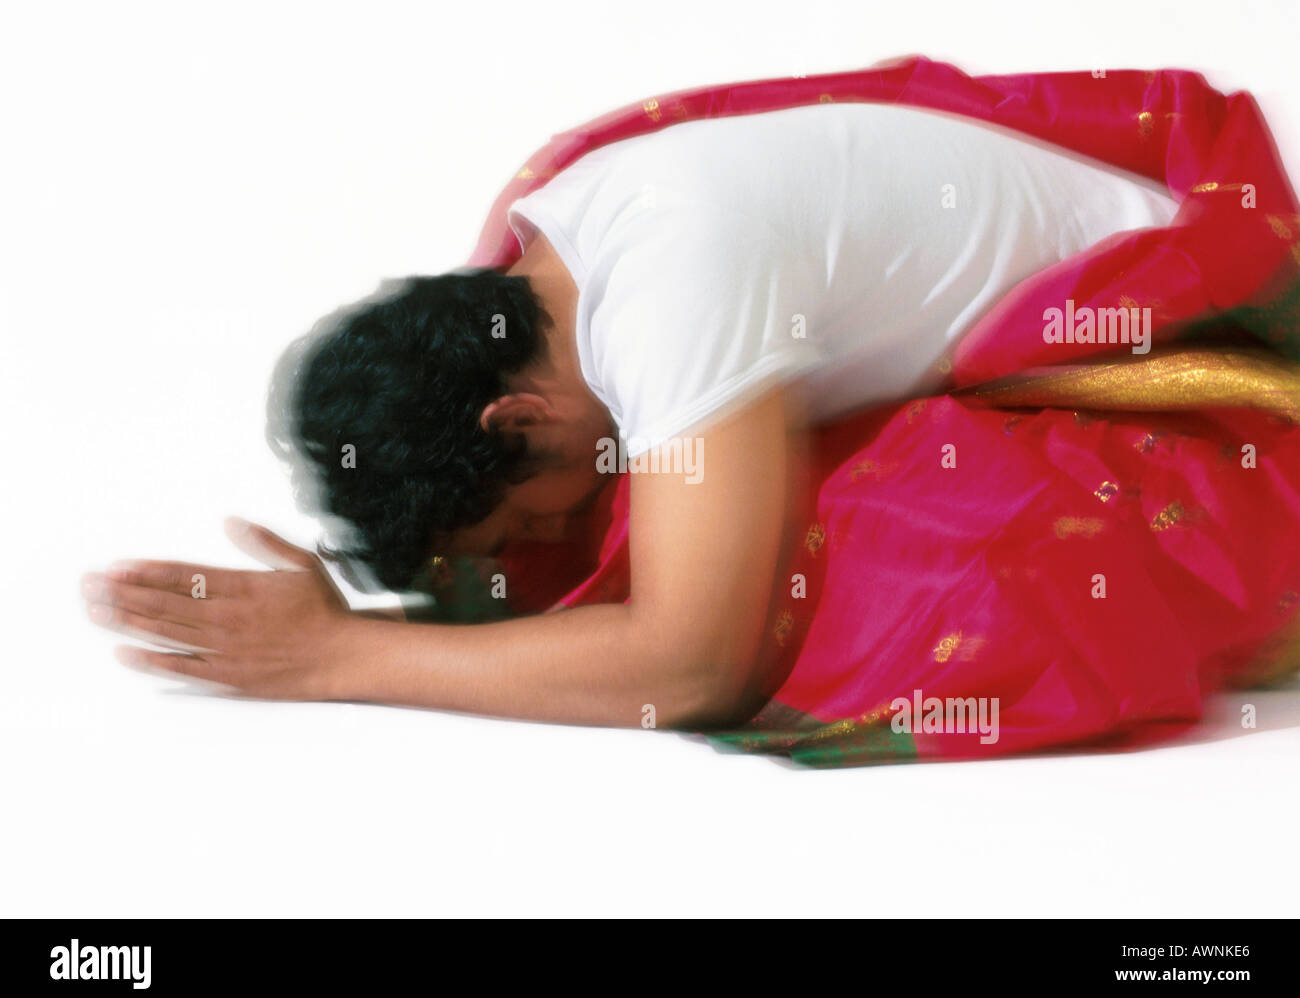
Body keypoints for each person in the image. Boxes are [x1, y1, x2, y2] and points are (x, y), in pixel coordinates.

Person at [81, 57, 1300, 765]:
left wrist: (337, 658)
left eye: (505, 534)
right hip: (992, 344)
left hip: (1186, 392)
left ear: (513, 421)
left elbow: (691, 664)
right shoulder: (550, 255)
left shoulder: (674, 292)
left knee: (878, 579)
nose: (518, 562)